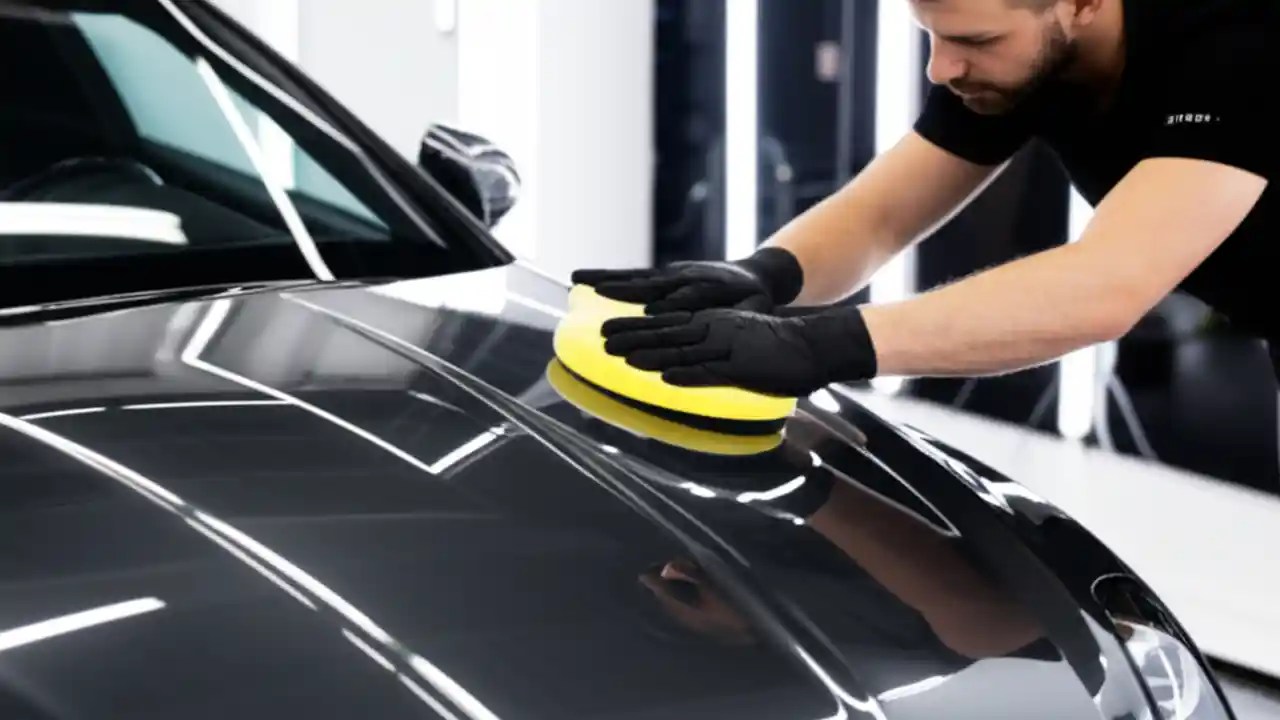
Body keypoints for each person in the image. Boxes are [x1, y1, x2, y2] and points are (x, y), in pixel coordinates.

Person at [573, 0, 1279, 397]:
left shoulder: (1238, 47)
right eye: (931, 36)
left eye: (973, 40)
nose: (942, 69)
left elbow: (1105, 286)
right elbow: (880, 216)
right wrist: (766, 276)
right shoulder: (1020, 53)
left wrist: (821, 345)